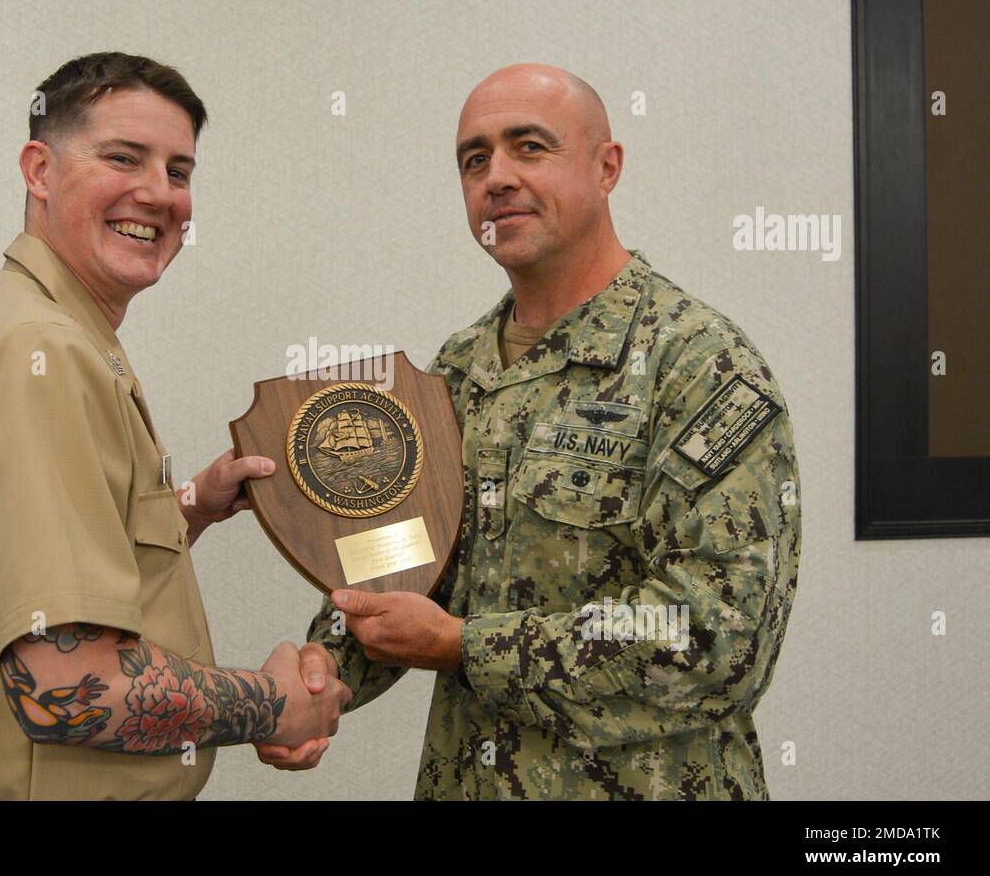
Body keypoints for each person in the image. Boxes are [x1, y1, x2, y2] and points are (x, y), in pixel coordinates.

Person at [257, 64, 801, 800]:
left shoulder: (699, 366)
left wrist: (461, 645)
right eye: (474, 159)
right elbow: (406, 565)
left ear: (607, 167)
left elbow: (717, 639)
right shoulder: (454, 368)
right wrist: (323, 674)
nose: (497, 177)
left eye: (530, 147)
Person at [0, 52, 349, 800]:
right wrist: (273, 702)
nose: (158, 194)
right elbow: (66, 687)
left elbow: (36, 560)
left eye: (179, 170)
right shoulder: (40, 354)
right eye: (123, 158)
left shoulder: (42, 327)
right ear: (40, 170)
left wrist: (190, 507)